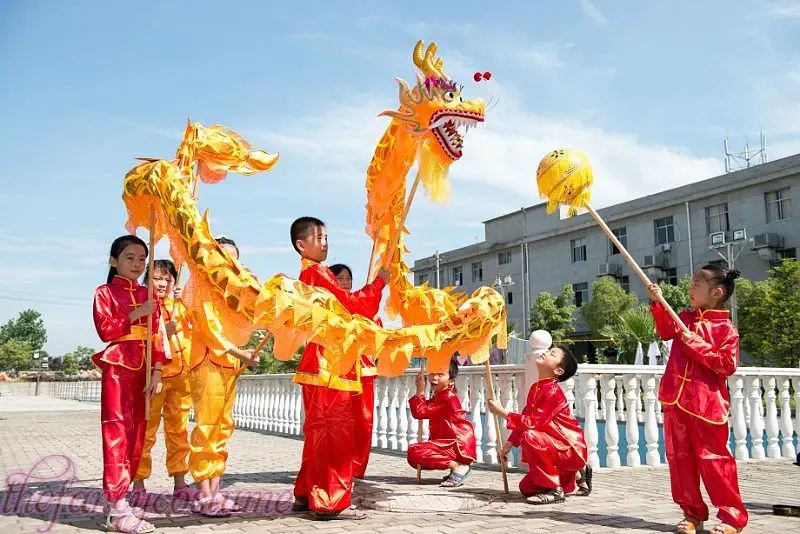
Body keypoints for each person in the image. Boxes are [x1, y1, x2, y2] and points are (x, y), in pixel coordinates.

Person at [290, 217, 388, 520]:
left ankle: (307, 492)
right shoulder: (316, 273)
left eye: (327, 237)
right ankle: (329, 500)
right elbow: (349, 305)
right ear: (301, 245)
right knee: (334, 434)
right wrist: (379, 282)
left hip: (321, 362)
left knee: (319, 433)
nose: (325, 243)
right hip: (330, 362)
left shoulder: (310, 273)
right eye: (319, 238)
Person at [647, 265, 748, 534]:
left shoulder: (726, 329)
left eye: (697, 285)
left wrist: (696, 344)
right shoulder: (685, 318)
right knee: (679, 459)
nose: (691, 289)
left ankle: (731, 517)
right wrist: (658, 303)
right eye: (691, 284)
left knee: (715, 460)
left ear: (716, 292)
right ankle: (692, 513)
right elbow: (667, 331)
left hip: (706, 405)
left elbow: (726, 364)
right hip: (676, 399)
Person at [92, 235, 166, 533]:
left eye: (141, 259)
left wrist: (158, 372)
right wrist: (137, 313)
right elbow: (105, 329)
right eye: (129, 258)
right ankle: (116, 505)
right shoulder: (105, 292)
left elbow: (158, 336)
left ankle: (123, 499)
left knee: (138, 434)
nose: (137, 264)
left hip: (146, 369)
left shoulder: (150, 293)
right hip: (119, 367)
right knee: (117, 431)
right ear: (114, 261)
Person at [188, 236, 260, 517]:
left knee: (222, 428)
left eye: (234, 259)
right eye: (223, 258)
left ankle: (216, 490)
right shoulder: (199, 286)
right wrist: (241, 353)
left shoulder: (232, 292)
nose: (229, 264)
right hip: (206, 361)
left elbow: (241, 325)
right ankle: (203, 494)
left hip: (229, 364)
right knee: (207, 427)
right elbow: (209, 332)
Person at [488, 345, 590, 504]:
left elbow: (532, 423)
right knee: (526, 488)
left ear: (558, 371)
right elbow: (524, 419)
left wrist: (502, 412)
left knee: (531, 435)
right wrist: (506, 447)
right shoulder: (536, 388)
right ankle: (574, 475)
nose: (545, 353)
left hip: (569, 449)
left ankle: (555, 490)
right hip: (556, 447)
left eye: (552, 354)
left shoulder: (552, 391)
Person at [131, 259, 195, 504]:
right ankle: (138, 484)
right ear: (148, 278)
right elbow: (135, 339)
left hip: (181, 376)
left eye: (168, 279)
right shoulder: (143, 304)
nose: (163, 283)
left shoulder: (180, 305)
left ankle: (180, 482)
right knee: (145, 432)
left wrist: (186, 300)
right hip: (152, 376)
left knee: (178, 431)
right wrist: (161, 334)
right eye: (158, 278)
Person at [330, 263, 378, 481]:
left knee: (364, 422)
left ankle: (357, 469)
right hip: (339, 374)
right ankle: (339, 467)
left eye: (348, 278)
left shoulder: (367, 310)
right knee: (340, 423)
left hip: (364, 373)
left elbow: (378, 340)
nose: (345, 282)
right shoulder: (329, 309)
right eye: (340, 278)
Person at [407, 358, 476, 488]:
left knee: (415, 452)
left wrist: (420, 391)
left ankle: (458, 467)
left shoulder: (447, 398)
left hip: (458, 445)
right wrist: (420, 391)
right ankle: (456, 466)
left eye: (440, 374)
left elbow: (420, 413)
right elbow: (419, 410)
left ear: (451, 381)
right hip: (451, 444)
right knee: (414, 456)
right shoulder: (440, 395)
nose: (434, 378)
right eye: (432, 373)